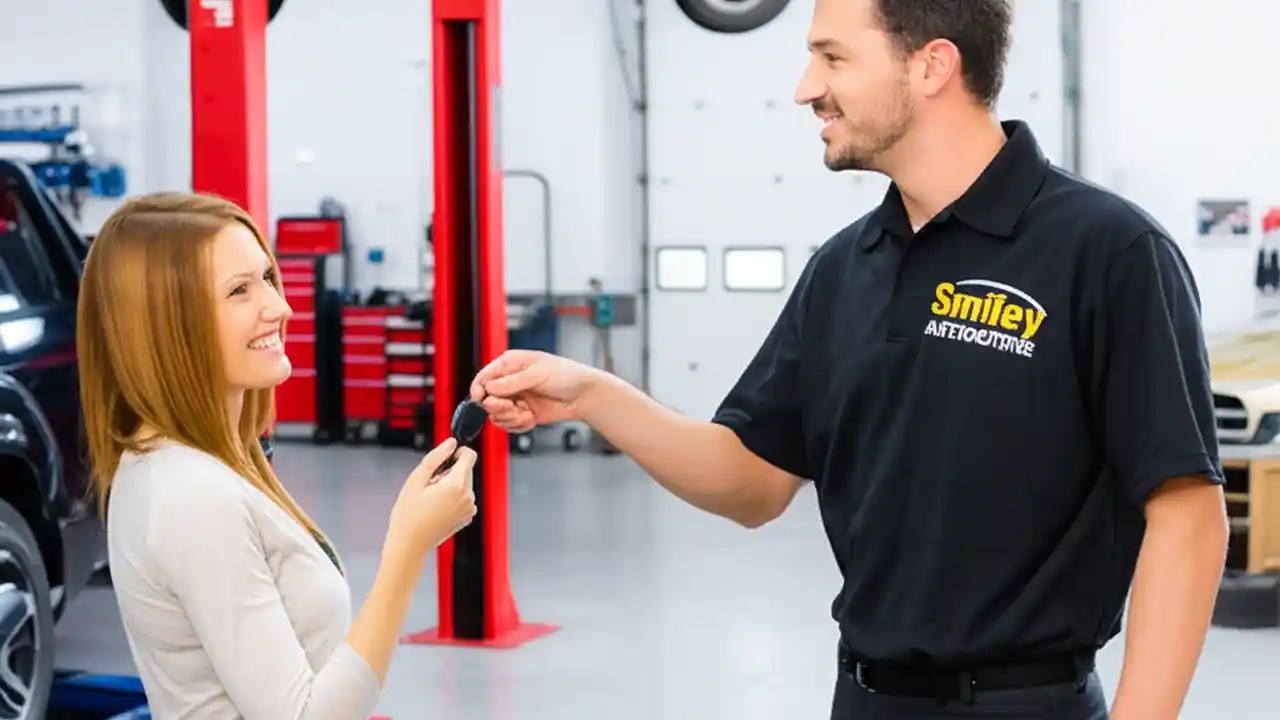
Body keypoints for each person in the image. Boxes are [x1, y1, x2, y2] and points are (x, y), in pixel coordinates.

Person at [469, 1, 1229, 718]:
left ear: (932, 65)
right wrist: (597, 395)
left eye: (832, 57)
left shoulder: (1108, 253)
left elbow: (1187, 515)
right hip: (865, 698)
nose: (807, 90)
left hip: (1025, 703)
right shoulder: (845, 269)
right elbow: (752, 480)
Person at [77, 192, 478, 719]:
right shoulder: (193, 497)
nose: (280, 307)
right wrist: (409, 545)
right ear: (166, 324)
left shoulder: (201, 461)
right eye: (239, 291)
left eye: (267, 278)